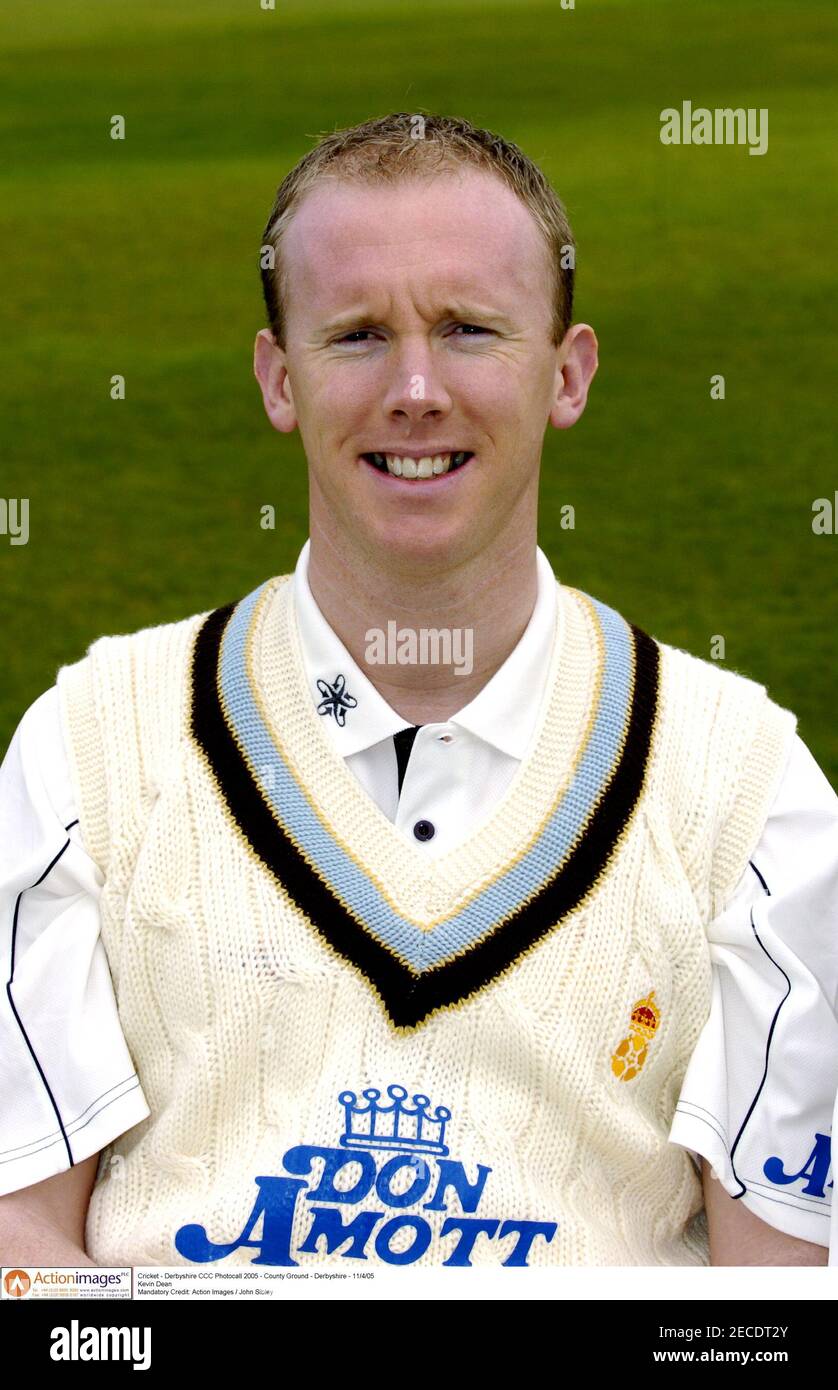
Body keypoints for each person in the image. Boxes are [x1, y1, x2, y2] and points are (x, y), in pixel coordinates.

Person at [1, 113, 835, 1270]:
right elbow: (21, 1250)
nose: (414, 388)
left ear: (569, 371)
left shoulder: (746, 790)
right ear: (277, 378)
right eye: (354, 335)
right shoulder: (87, 752)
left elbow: (774, 1298)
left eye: (468, 330)